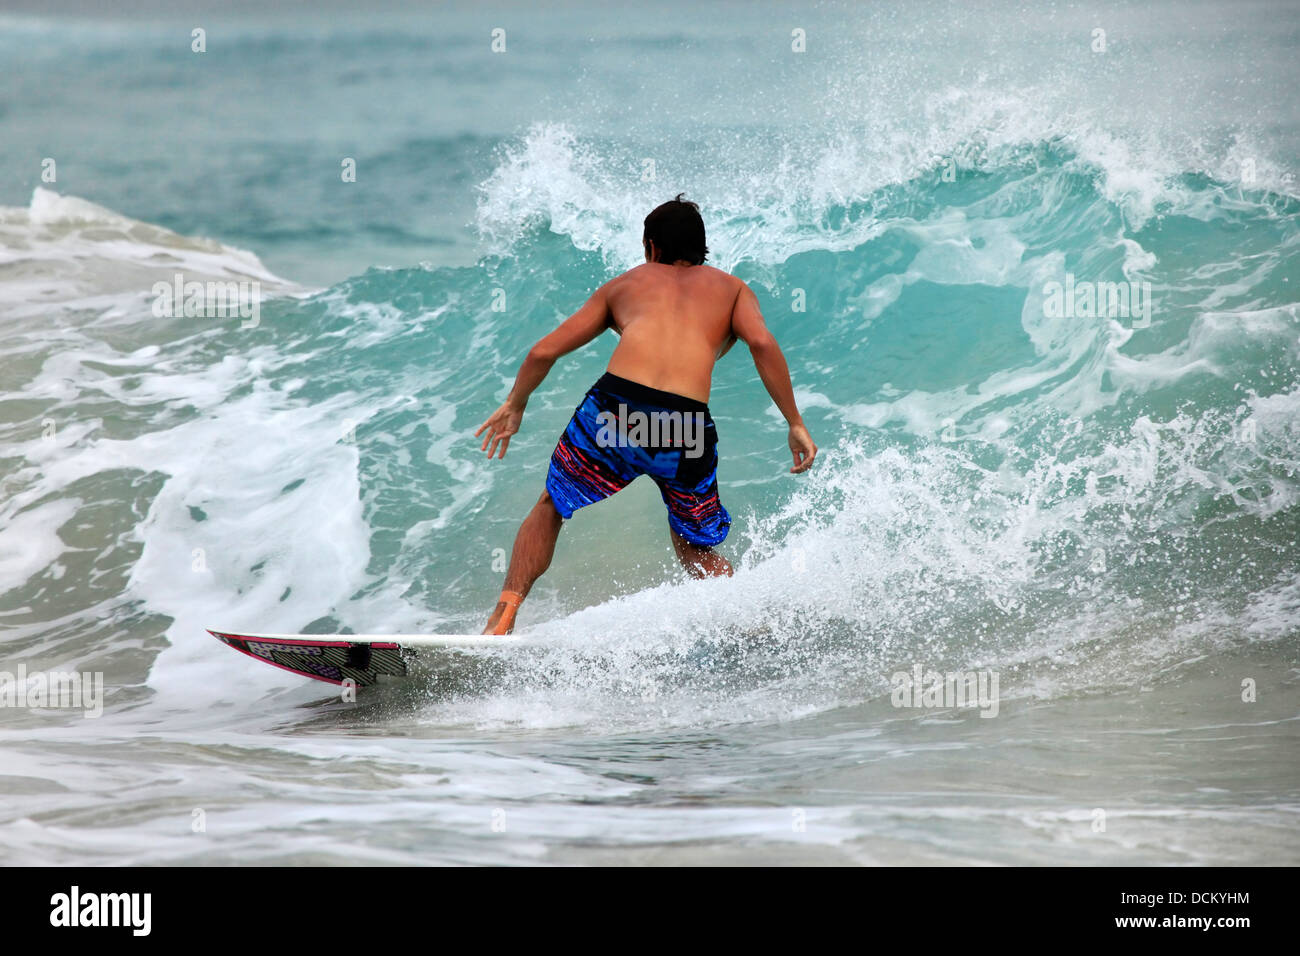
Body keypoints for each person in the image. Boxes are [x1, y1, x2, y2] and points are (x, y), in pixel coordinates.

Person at [475, 194, 816, 634]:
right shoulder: (732, 289)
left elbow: (544, 350)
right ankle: (752, 627)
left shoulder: (624, 285)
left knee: (551, 504)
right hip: (685, 426)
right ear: (701, 248)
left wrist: (515, 404)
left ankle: (502, 618)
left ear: (651, 246)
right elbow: (764, 345)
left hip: (616, 412)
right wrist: (794, 421)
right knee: (692, 546)